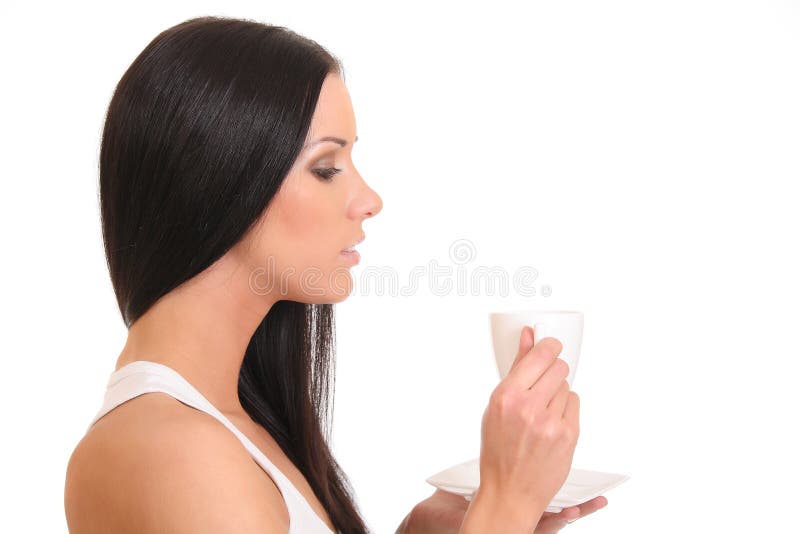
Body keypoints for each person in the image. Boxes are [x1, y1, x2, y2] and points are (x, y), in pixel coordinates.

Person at [63, 16, 606, 534]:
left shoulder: (225, 424)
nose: (370, 200)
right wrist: (504, 506)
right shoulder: (173, 451)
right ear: (217, 181)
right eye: (326, 169)